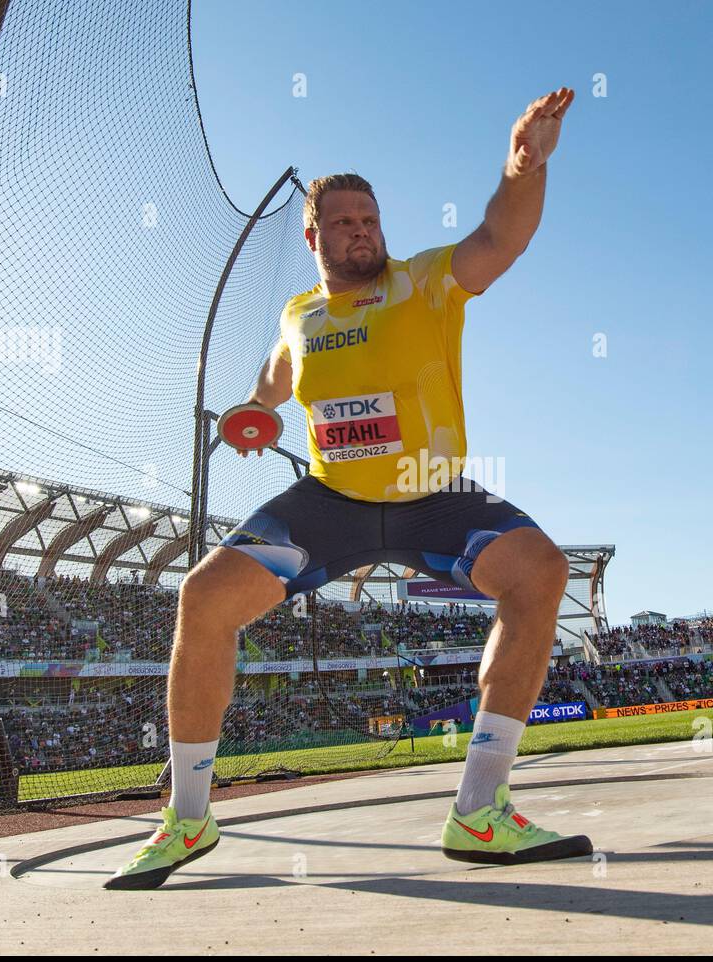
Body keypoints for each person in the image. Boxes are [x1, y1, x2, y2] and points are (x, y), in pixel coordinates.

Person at [107, 88, 586, 889]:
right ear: (313, 234)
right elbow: (269, 382)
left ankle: (478, 809)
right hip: (329, 506)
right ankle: (187, 820)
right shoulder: (299, 316)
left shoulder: (426, 281)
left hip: (433, 494)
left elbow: (505, 235)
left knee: (540, 571)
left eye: (370, 219)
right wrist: (254, 416)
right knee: (203, 599)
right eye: (344, 222)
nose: (362, 231)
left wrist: (522, 162)